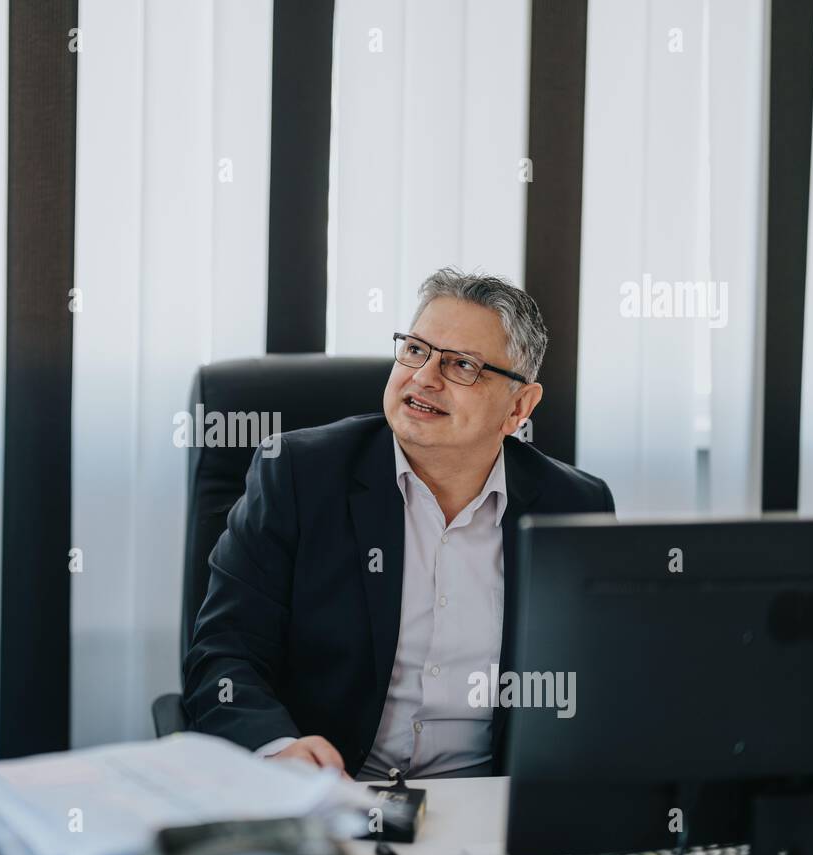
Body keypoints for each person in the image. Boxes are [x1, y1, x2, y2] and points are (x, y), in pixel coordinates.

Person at [182, 269, 617, 780]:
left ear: (518, 407)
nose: (424, 378)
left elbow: (594, 684)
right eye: (415, 350)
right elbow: (223, 654)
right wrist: (278, 747)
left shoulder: (573, 505)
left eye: (462, 365)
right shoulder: (299, 474)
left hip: (491, 809)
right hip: (335, 796)